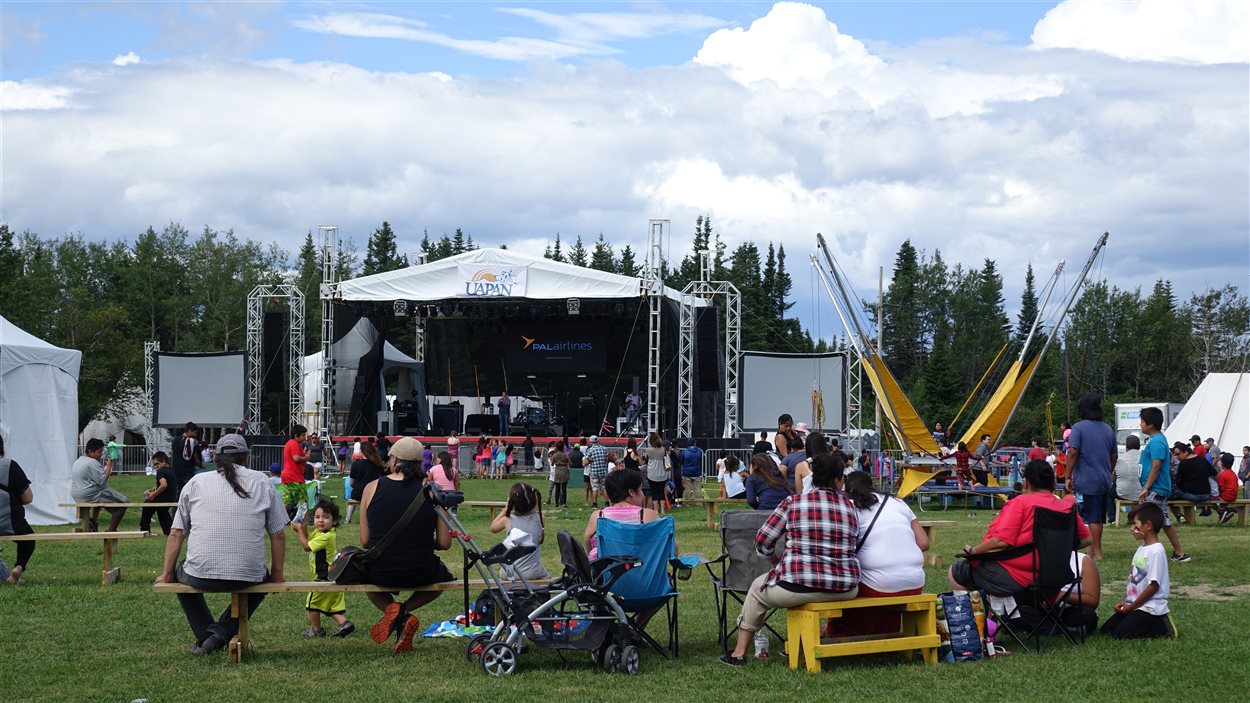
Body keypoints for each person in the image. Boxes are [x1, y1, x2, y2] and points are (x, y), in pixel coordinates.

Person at [720, 454, 859, 666]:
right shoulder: (850, 508)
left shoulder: (793, 503)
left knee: (757, 590)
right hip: (845, 587)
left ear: (812, 478)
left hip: (797, 584)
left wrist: (775, 561)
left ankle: (738, 653)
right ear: (838, 480)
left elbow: (762, 541)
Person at [156, 433, 288, 656]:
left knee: (180, 573)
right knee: (260, 576)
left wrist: (167, 574)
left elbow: (176, 533)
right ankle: (217, 636)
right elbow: (278, 534)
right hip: (248, 575)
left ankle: (208, 638)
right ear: (246, 458)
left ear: (215, 459)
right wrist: (277, 575)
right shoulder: (263, 481)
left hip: (200, 574)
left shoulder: (196, 483)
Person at [359, 437, 454, 655]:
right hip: (421, 570)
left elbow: (364, 541)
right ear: (421, 463)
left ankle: (395, 611)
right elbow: (444, 543)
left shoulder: (371, 488)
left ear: (393, 460)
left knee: (365, 580)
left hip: (380, 572)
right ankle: (405, 610)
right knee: (442, 580)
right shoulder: (432, 490)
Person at [948, 460, 1091, 597]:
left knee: (957, 570)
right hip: (1055, 577)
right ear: (1053, 483)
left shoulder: (1021, 502)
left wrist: (974, 551)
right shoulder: (1066, 507)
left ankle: (975, 620)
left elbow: (1001, 542)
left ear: (1026, 482)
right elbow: (1086, 539)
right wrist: (1056, 548)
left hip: (1017, 578)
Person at [832, 471, 928, 636]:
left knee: (844, 585)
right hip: (915, 582)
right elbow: (924, 543)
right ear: (873, 485)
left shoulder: (849, 508)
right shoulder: (898, 503)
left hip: (877, 586)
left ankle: (838, 632)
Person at [1099, 502, 1175, 639]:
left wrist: (1131, 606)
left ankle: (1163, 626)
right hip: (1136, 604)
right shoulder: (1141, 549)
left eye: (1134, 524)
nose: (1132, 528)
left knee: (1120, 634)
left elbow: (1153, 585)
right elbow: (1136, 580)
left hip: (1151, 607)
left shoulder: (1156, 551)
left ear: (1148, 525)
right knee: (1107, 630)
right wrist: (1126, 601)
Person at [291, 498, 355, 638]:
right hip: (333, 575)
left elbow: (307, 547)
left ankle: (316, 630)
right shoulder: (321, 533)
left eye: (326, 517)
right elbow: (309, 540)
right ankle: (344, 623)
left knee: (312, 603)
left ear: (335, 521)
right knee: (330, 605)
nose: (321, 520)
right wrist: (302, 528)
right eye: (317, 517)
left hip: (323, 577)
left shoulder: (326, 536)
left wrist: (299, 531)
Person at [1065, 393, 1117, 560]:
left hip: (1088, 478)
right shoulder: (1107, 428)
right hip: (1104, 478)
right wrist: (1108, 470)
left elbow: (1072, 452)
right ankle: (1094, 549)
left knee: (1092, 517)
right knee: (1098, 517)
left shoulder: (1078, 428)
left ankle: (1096, 551)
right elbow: (1114, 454)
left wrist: (1067, 476)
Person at [1136, 407, 1188, 562]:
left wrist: (1146, 488)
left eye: (1142, 422)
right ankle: (1179, 553)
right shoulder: (1155, 440)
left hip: (1156, 488)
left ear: (1150, 424)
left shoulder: (1158, 441)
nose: (1140, 425)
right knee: (1162, 520)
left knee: (1148, 520)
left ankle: (1152, 551)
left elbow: (1156, 466)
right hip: (1155, 487)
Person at [583, 469, 660, 559]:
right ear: (631, 492)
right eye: (640, 489)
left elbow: (588, 547)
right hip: (643, 571)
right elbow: (672, 549)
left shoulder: (598, 517)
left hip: (605, 571)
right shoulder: (648, 516)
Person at [489, 482, 550, 580]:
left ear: (512, 502)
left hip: (508, 573)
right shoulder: (540, 517)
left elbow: (492, 528)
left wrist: (505, 510)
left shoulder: (508, 520)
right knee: (548, 578)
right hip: (532, 572)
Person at [71, 438, 129, 532]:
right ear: (90, 451)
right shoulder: (92, 462)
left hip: (76, 494)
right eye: (99, 452)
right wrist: (109, 467)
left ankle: (93, 522)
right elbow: (102, 481)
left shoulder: (79, 460)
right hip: (90, 494)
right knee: (123, 503)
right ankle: (111, 530)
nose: (101, 455)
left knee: (102, 497)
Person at [0, 434, 36, 584]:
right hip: (11, 523)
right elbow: (28, 498)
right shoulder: (9, 465)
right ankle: (18, 567)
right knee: (28, 540)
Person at [140, 451, 179, 535]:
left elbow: (164, 485)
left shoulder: (161, 471)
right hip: (170, 498)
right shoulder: (171, 471)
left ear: (163, 462)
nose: (155, 467)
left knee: (147, 506)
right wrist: (151, 490)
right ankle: (169, 531)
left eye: (156, 464)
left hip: (162, 499)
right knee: (163, 513)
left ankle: (144, 530)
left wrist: (153, 495)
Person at [280, 425, 310, 519]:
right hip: (295, 476)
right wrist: (306, 457)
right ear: (296, 435)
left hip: (286, 476)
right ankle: (305, 519)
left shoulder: (289, 443)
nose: (305, 437)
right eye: (303, 435)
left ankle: (281, 520)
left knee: (287, 500)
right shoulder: (294, 444)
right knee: (303, 499)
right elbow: (296, 458)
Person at [171, 422, 205, 487]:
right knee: (189, 490)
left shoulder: (175, 440)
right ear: (189, 431)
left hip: (176, 470)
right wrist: (200, 465)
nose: (195, 435)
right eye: (194, 432)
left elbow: (173, 455)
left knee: (178, 492)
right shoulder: (193, 442)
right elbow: (195, 458)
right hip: (187, 471)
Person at [643, 433, 668, 514]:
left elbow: (646, 461)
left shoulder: (648, 450)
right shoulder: (663, 449)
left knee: (654, 492)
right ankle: (663, 510)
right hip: (662, 473)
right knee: (661, 492)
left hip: (652, 473)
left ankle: (656, 510)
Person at [1115, 435, 1144, 501]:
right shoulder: (1144, 458)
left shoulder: (1120, 459)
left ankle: (1111, 511)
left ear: (1126, 446)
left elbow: (1114, 479)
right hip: (1142, 493)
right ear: (1139, 446)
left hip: (1123, 494)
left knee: (1109, 492)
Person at [584, 435, 609, 508]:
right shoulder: (604, 449)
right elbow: (606, 459)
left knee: (594, 488)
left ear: (591, 441)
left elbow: (586, 462)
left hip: (594, 471)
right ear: (598, 440)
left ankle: (594, 504)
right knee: (604, 487)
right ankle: (607, 503)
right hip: (603, 471)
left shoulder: (590, 450)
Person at [1214, 453, 1239, 524]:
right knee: (1220, 502)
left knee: (1212, 498)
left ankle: (1227, 510)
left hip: (1226, 496)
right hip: (1234, 496)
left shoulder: (1222, 474)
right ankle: (1223, 515)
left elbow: (1221, 489)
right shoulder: (1233, 474)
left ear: (1222, 463)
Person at [680, 439, 703, 504]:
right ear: (694, 443)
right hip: (696, 472)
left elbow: (682, 461)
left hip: (687, 472)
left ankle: (686, 503)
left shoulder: (685, 452)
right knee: (697, 488)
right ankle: (699, 502)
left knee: (687, 488)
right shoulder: (699, 451)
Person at [550, 441, 571, 509]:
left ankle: (556, 502)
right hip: (564, 470)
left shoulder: (554, 455)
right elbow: (570, 463)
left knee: (557, 488)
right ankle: (564, 503)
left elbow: (552, 464)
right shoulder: (565, 455)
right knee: (564, 489)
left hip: (557, 471)